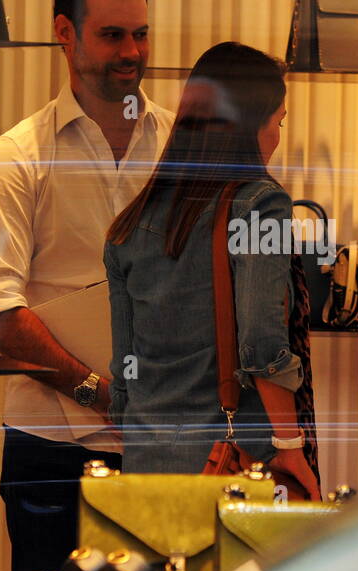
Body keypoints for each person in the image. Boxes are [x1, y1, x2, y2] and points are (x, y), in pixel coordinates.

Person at [0, 0, 174, 571]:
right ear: (64, 33)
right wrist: (99, 393)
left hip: (160, 444)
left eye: (140, 33)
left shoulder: (176, 146)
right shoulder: (17, 156)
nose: (131, 51)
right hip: (50, 453)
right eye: (112, 35)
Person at [104, 42, 320, 497]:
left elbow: (125, 374)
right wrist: (290, 445)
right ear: (251, 124)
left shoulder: (132, 224)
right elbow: (262, 345)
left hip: (145, 466)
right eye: (277, 122)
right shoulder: (261, 205)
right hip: (231, 464)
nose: (277, 137)